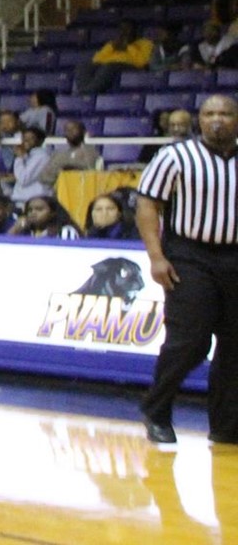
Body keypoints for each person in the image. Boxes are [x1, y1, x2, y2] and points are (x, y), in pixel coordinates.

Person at [135, 94, 238, 445]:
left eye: (225, 113)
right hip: (190, 255)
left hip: (235, 257)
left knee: (234, 347)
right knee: (190, 342)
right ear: (200, 119)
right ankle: (157, 410)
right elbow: (147, 203)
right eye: (210, 113)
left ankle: (226, 426)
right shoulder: (175, 156)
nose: (217, 120)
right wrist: (155, 255)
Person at [76, 21, 155, 95]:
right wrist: (112, 47)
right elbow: (96, 60)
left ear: (135, 31)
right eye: (122, 29)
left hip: (131, 67)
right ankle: (83, 91)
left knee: (110, 66)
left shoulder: (145, 43)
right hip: (109, 66)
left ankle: (87, 93)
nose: (124, 32)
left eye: (127, 29)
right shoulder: (113, 43)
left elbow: (142, 62)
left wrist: (128, 46)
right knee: (84, 66)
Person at [10, 195, 80, 240]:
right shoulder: (26, 230)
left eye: (39, 209)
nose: (33, 213)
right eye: (30, 210)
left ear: (53, 213)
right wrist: (15, 229)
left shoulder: (66, 231)